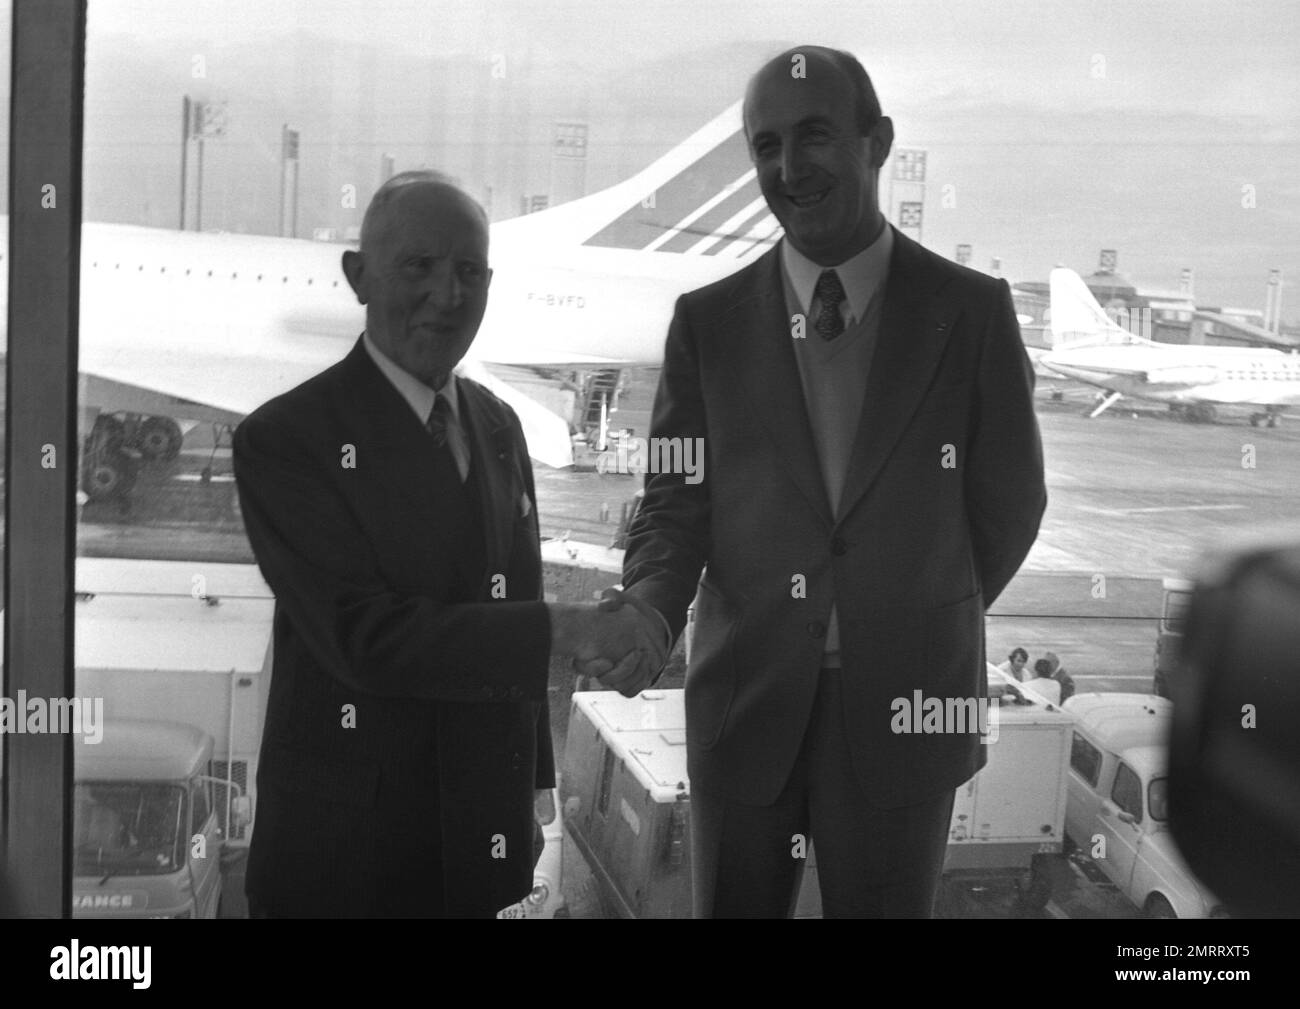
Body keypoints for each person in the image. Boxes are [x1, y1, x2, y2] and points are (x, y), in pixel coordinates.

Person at [601, 46, 1046, 918]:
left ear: (877, 142)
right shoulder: (708, 325)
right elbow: (673, 504)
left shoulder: (972, 312)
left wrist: (912, 606)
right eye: (766, 146)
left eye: (813, 137)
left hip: (912, 707)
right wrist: (650, 606)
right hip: (746, 702)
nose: (788, 168)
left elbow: (1011, 503)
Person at [233, 171, 658, 918]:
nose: (446, 293)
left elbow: (512, 604)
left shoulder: (498, 426)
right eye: (418, 267)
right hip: (342, 861)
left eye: (469, 272)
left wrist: (531, 783)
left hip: (477, 842)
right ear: (358, 277)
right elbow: (367, 637)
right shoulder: (286, 439)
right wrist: (576, 628)